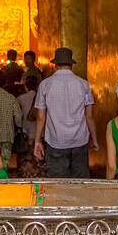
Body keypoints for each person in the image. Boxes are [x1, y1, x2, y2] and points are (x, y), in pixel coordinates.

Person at [33, 47, 97, 177]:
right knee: (80, 182)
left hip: (56, 141)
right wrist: (94, 139)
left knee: (59, 183)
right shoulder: (83, 84)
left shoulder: (45, 85)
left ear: (55, 65)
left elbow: (41, 117)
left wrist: (37, 141)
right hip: (80, 140)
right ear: (71, 65)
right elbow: (89, 116)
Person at [17, 72, 40, 146]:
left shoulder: (20, 98)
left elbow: (18, 114)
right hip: (39, 129)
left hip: (26, 128)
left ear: (26, 86)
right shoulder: (41, 97)